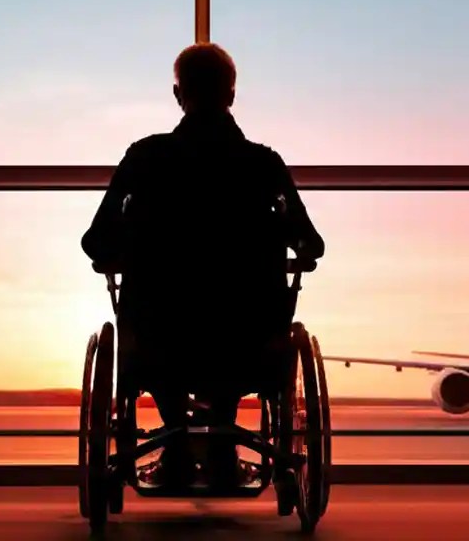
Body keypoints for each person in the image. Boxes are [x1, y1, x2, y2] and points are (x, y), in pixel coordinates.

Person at [81, 43, 324, 489]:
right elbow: (312, 243)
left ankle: (175, 451)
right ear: (231, 95)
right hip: (248, 337)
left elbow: (94, 241)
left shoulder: (144, 158)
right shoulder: (264, 164)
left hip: (158, 336)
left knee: (162, 336)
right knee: (234, 335)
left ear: (178, 95)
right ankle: (221, 451)